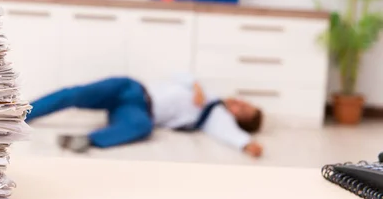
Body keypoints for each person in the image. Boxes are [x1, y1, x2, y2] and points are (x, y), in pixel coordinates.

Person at [26, 75, 264, 158]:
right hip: (130, 88)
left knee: (143, 126)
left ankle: (89, 140)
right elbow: (179, 74)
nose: (240, 103)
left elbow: (229, 133)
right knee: (75, 94)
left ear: (236, 119)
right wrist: (197, 86)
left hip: (137, 111)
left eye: (243, 111)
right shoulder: (207, 93)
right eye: (245, 103)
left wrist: (247, 145)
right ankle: (23, 114)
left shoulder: (216, 116)